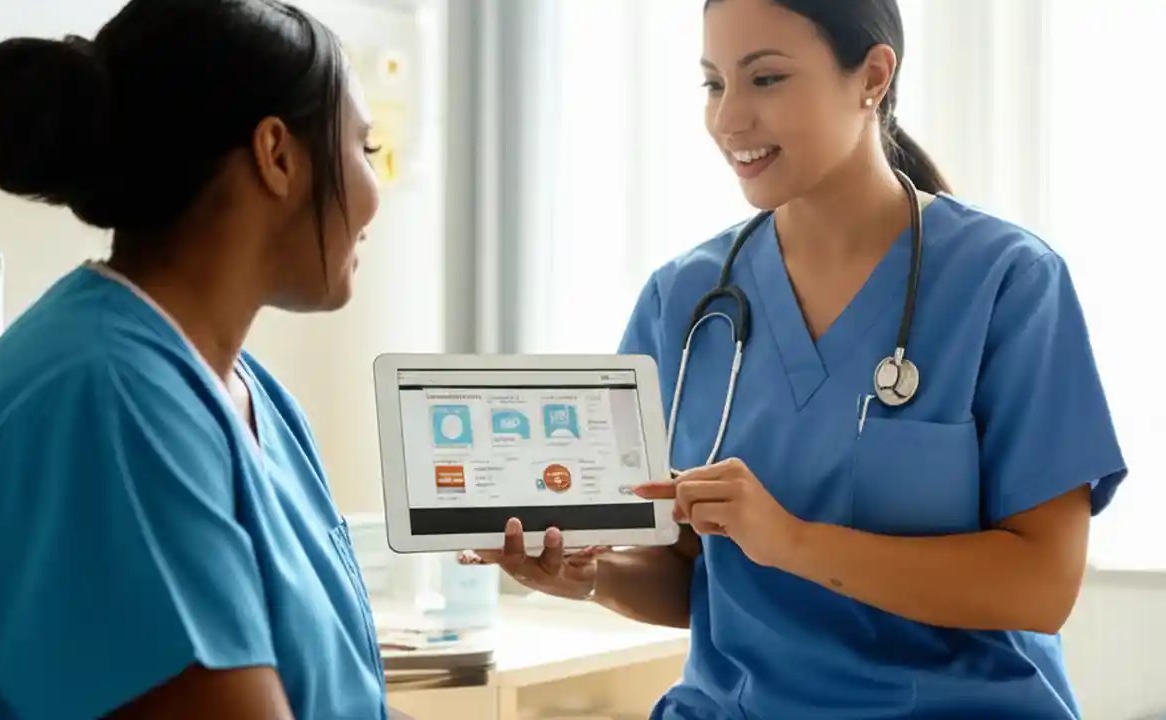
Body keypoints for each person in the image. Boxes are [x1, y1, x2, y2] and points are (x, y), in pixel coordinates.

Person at [470, 0, 1127, 718]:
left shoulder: (1005, 282)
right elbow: (692, 578)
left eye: (767, 79)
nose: (728, 119)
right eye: (714, 84)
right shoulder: (684, 299)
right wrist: (589, 578)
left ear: (871, 77)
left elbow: (1040, 587)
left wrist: (791, 540)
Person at [0, 0, 389, 718]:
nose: (374, 196)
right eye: (365, 150)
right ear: (277, 155)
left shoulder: (253, 398)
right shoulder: (102, 402)